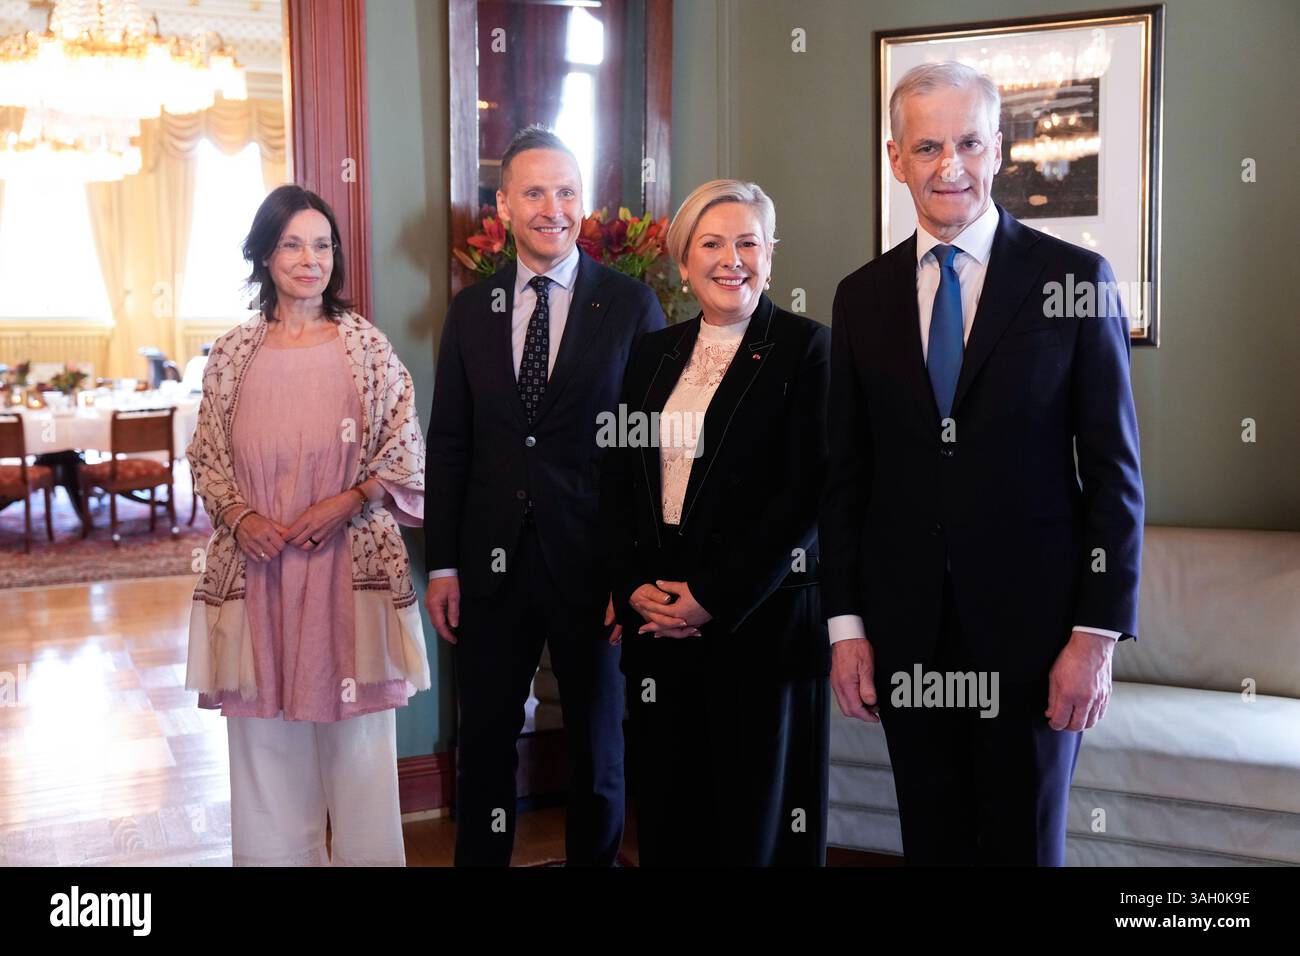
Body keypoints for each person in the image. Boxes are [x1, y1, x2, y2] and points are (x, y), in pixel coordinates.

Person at [821, 61, 1144, 866]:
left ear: (998, 149)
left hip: (1037, 640)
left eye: (968, 142)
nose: (949, 166)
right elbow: (845, 477)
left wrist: (1095, 637)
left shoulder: (1076, 282)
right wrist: (847, 626)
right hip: (906, 634)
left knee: (1023, 849)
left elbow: (1114, 474)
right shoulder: (860, 297)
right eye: (927, 146)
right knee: (932, 845)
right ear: (896, 158)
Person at [424, 126, 666, 866]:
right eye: (534, 192)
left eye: (566, 192)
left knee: (599, 749)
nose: (552, 208)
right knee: (486, 743)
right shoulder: (471, 311)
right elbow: (450, 445)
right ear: (503, 205)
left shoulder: (631, 305)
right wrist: (442, 567)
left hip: (594, 570)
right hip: (489, 569)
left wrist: (632, 576)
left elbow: (648, 453)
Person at [186, 184, 430, 867]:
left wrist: (347, 499)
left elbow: (406, 450)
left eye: (322, 244)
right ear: (265, 254)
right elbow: (205, 457)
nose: (309, 258)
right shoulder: (233, 353)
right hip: (257, 570)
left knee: (358, 751)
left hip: (348, 572)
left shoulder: (366, 348)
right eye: (292, 243)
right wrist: (240, 515)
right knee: (264, 749)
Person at [602, 179, 831, 865]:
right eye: (712, 243)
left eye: (747, 242)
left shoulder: (807, 349)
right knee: (671, 821)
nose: (731, 259)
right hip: (658, 624)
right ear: (683, 261)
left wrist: (712, 599)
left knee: (754, 830)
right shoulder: (652, 354)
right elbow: (618, 479)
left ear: (771, 255)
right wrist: (629, 583)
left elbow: (806, 498)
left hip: (757, 626)